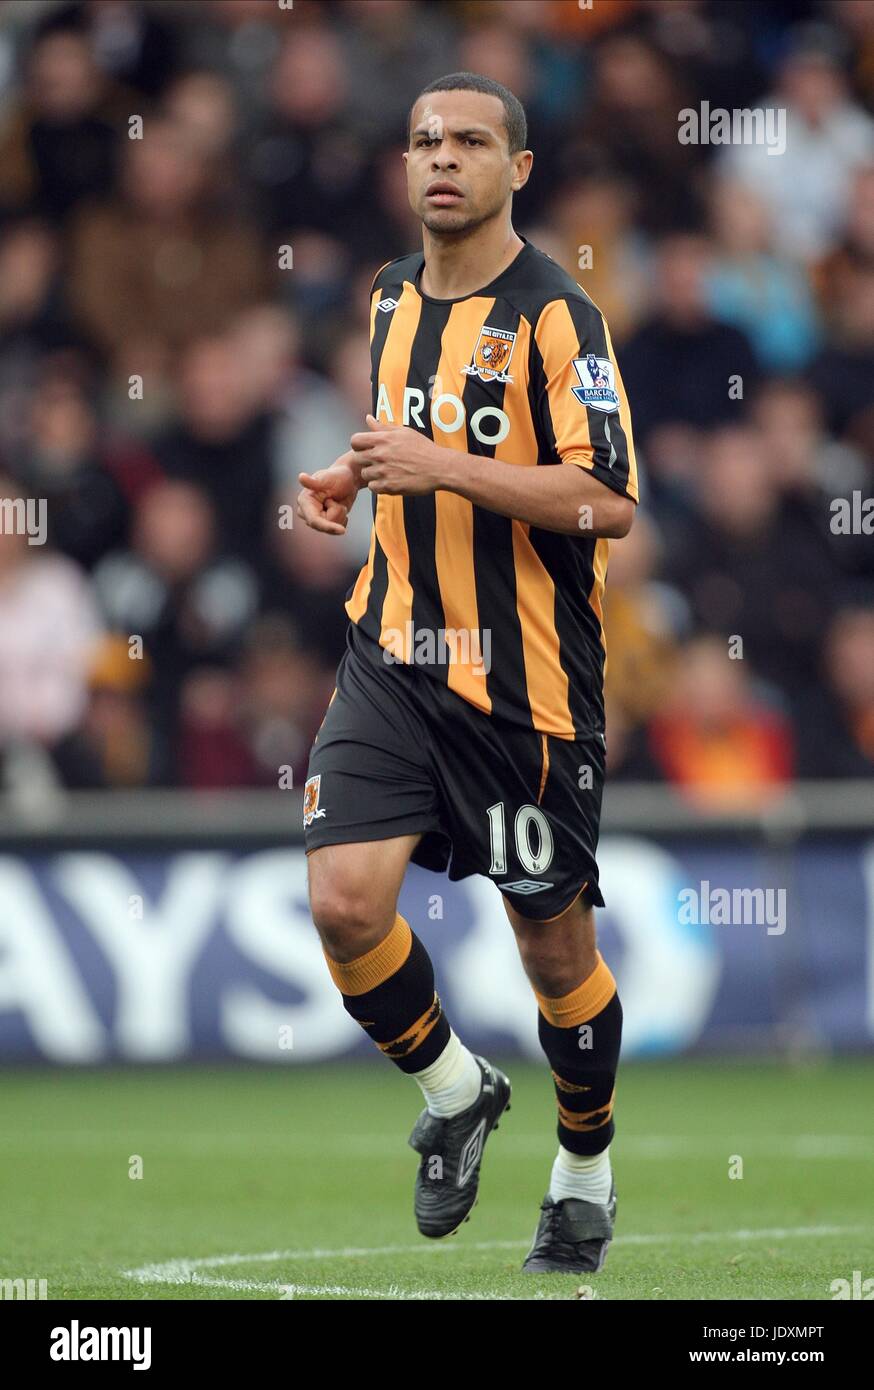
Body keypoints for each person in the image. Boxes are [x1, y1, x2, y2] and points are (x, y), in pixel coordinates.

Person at [296, 73, 638, 1277]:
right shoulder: (389, 294)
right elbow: (416, 429)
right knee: (343, 902)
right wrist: (355, 473)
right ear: (404, 165)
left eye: (472, 141)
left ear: (518, 169)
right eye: (425, 141)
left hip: (524, 692)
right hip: (392, 653)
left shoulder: (560, 319)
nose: (444, 157)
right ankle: (454, 1089)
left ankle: (584, 1168)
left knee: (554, 956)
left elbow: (605, 501)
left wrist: (435, 466)